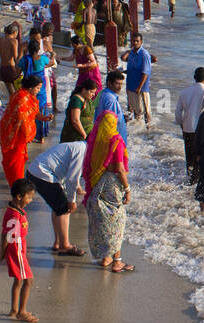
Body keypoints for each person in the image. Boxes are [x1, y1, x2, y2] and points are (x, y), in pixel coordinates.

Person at [84, 110, 132, 272]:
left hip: (100, 182)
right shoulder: (115, 140)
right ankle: (117, 261)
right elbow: (119, 168)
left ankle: (106, 258)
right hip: (113, 184)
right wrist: (127, 188)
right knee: (117, 222)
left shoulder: (97, 140)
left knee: (103, 220)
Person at [27, 140, 87, 255]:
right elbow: (72, 178)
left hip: (35, 171)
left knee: (57, 207)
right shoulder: (82, 151)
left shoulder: (78, 146)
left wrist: (76, 189)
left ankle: (58, 243)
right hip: (42, 174)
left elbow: (71, 174)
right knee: (64, 208)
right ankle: (65, 245)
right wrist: (72, 200)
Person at [0, 178, 38, 322]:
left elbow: (4, 233)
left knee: (19, 280)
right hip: (17, 250)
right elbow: (8, 237)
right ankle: (22, 311)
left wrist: (2, 252)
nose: (30, 200)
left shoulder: (14, 211)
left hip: (18, 249)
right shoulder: (15, 215)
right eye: (29, 197)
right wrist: (2, 252)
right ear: (19, 197)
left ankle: (14, 310)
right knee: (28, 280)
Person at [0, 76, 45, 186]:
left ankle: (16, 183)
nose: (39, 91)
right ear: (30, 87)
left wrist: (44, 118)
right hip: (15, 135)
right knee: (15, 161)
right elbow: (22, 119)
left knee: (16, 161)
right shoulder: (22, 98)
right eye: (38, 88)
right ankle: (17, 185)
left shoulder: (25, 95)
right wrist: (28, 136)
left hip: (15, 134)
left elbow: (33, 113)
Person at [175, 68, 204, 184]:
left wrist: (181, 123)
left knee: (189, 156)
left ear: (194, 77)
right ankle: (197, 181)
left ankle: (190, 179)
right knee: (199, 157)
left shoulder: (184, 92)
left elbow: (177, 112)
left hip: (187, 128)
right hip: (200, 129)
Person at [18, 36, 54, 141]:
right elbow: (50, 62)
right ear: (38, 50)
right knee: (41, 110)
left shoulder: (24, 60)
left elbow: (18, 67)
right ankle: (41, 136)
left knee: (28, 111)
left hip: (28, 89)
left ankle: (28, 134)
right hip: (40, 90)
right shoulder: (43, 59)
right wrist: (53, 56)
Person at [125, 33, 153, 128]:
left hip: (141, 87)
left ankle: (148, 129)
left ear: (141, 42)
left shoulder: (144, 54)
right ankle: (137, 129)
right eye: (133, 41)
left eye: (137, 41)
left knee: (146, 110)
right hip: (131, 85)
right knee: (135, 109)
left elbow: (145, 73)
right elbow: (132, 68)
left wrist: (139, 87)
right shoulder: (132, 53)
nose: (135, 43)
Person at [95, 69, 129, 146]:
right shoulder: (111, 99)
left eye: (121, 84)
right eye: (117, 84)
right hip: (113, 141)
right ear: (109, 83)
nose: (120, 87)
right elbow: (109, 122)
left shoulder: (102, 94)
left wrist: (122, 118)